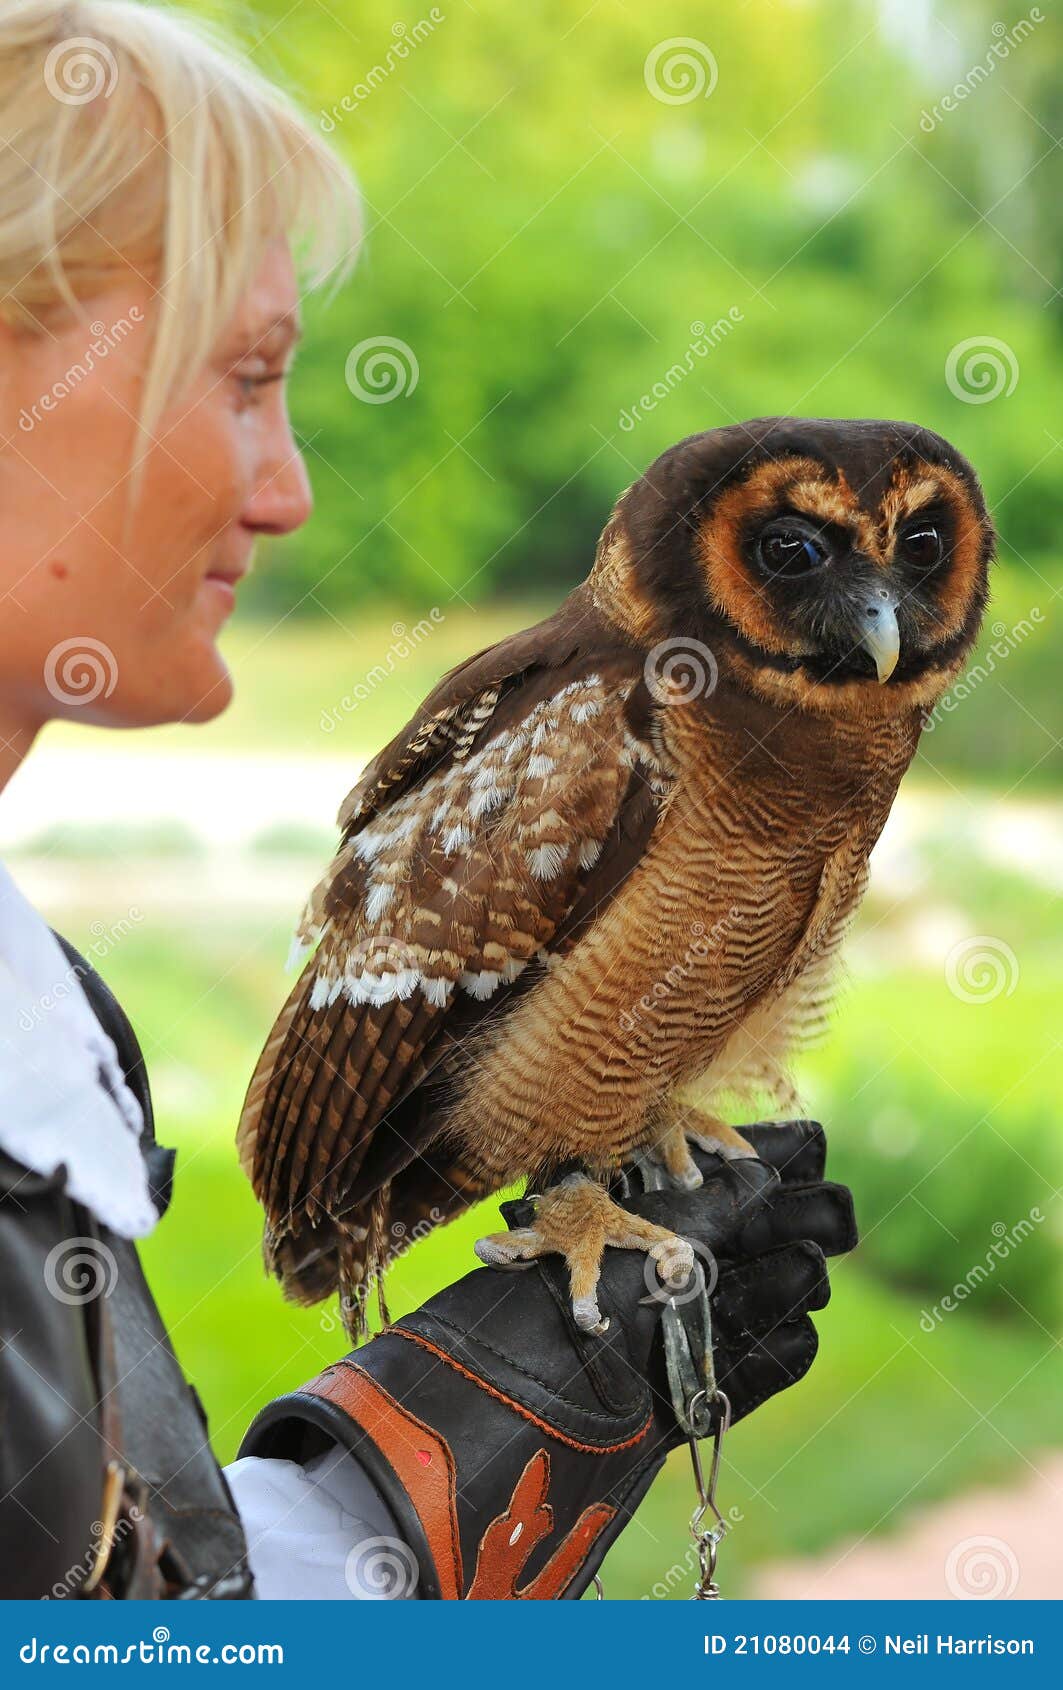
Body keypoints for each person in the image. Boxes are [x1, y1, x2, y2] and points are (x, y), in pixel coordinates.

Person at [0, 0, 855, 1600]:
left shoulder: (32, 1005)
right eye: (243, 379)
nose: (287, 487)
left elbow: (102, 1618)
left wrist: (447, 1445)